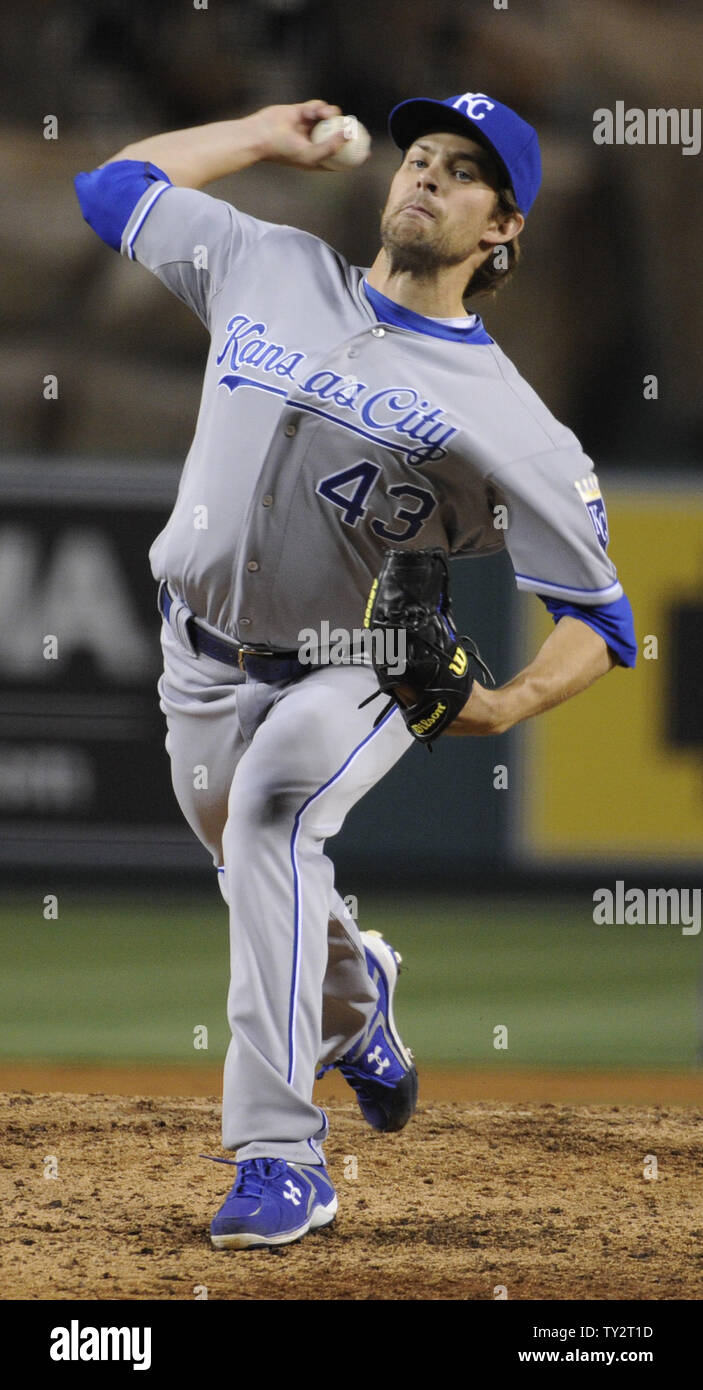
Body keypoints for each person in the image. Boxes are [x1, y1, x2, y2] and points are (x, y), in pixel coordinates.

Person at [74, 91, 636, 1251]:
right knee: (247, 853)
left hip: (359, 661)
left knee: (272, 821)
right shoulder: (268, 262)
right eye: (418, 155)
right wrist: (262, 138)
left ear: (503, 227)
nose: (426, 175)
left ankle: (281, 1159)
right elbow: (113, 186)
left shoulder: (512, 424)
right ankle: (356, 998)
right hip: (198, 656)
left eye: (463, 170)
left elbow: (601, 617)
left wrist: (507, 704)